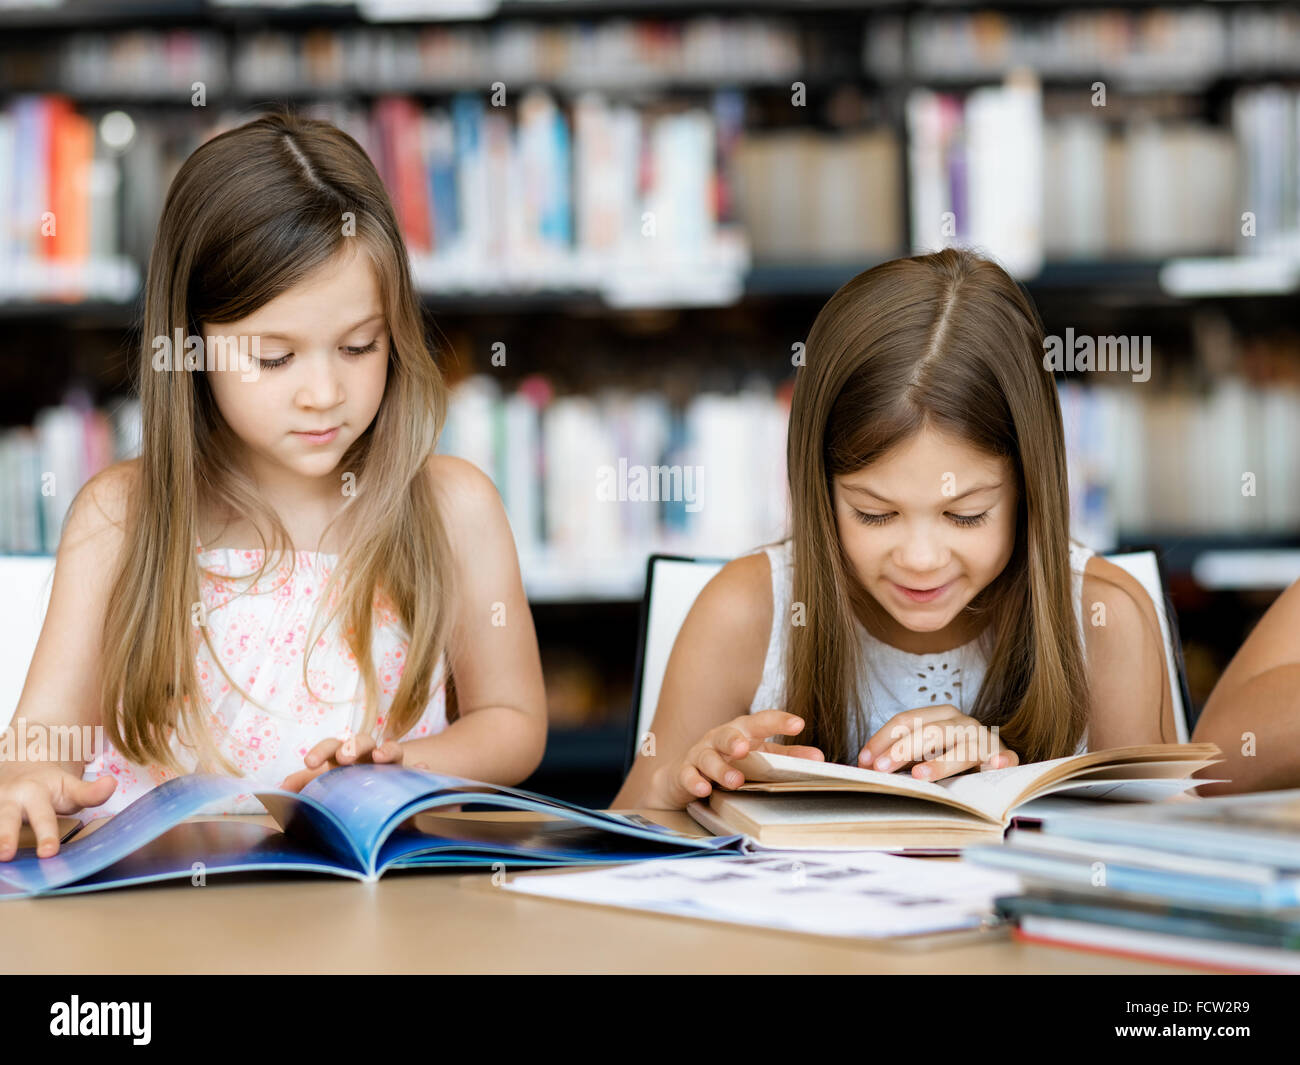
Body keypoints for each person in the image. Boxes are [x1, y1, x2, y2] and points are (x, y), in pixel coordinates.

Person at [0, 112, 546, 859]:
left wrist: (402, 767)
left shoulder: (453, 509)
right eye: (274, 358)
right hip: (157, 919)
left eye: (359, 345)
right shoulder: (120, 517)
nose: (323, 391)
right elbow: (41, 738)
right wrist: (23, 775)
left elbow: (513, 718)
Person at [615, 247, 1176, 810]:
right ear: (819, 490)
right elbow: (617, 847)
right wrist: (675, 787)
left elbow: (1163, 870)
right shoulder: (744, 613)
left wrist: (1003, 784)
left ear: (1031, 490)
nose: (922, 557)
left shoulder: (1104, 622)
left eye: (966, 514)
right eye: (875, 514)